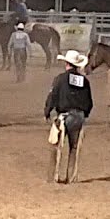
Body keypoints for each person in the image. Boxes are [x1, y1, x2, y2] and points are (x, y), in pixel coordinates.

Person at [45, 50, 93, 184]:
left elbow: (53, 96)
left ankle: (54, 176)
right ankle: (71, 177)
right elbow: (89, 102)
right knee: (74, 148)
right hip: (79, 117)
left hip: (64, 116)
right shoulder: (84, 81)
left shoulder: (60, 79)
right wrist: (84, 114)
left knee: (56, 145)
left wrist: (47, 111)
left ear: (66, 63)